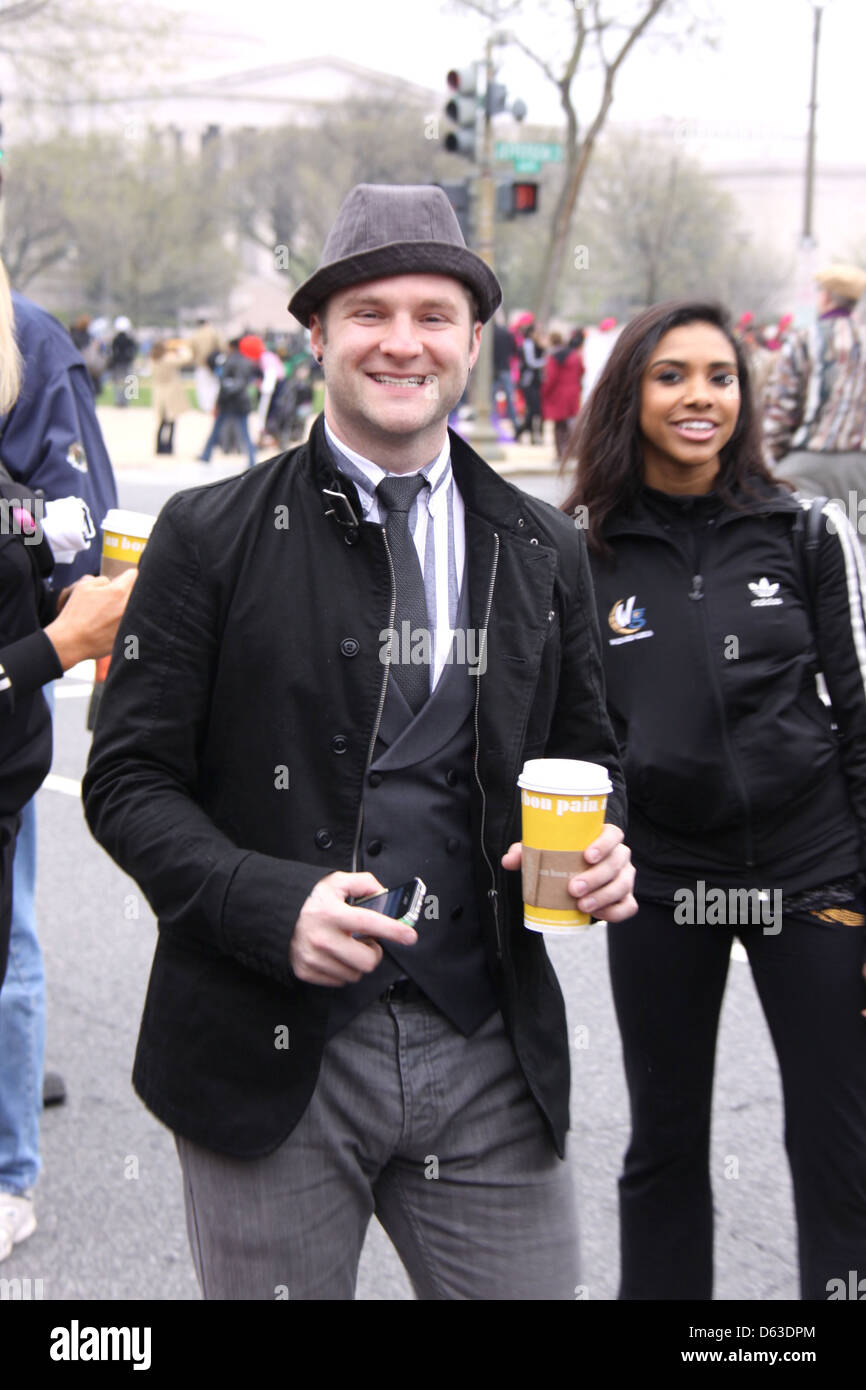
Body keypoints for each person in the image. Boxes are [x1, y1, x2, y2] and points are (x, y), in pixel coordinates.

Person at [83, 182, 636, 1301]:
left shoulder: (540, 548)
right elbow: (127, 779)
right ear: (318, 335)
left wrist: (605, 844)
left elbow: (587, 751)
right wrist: (261, 900)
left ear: (473, 340)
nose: (401, 341)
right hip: (265, 1048)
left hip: (485, 1044)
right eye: (368, 312)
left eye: (433, 314)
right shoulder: (209, 535)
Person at [562, 298, 866, 1301]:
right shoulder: (578, 550)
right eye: (670, 375)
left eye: (719, 376)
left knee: (838, 1141)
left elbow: (858, 715)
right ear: (629, 396)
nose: (700, 395)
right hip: (661, 877)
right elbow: (560, 732)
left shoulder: (806, 530)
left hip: (812, 871)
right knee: (662, 1142)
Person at [0, 261, 134, 1261]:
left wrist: (62, 627)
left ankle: (7, 1167)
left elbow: (80, 530)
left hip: (14, 652)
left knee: (8, 923)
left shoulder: (33, 339)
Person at [763, 264, 866, 520]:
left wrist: (777, 455)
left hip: (805, 464)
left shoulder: (802, 341)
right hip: (860, 467)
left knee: (798, 537)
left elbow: (780, 408)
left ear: (827, 297)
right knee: (858, 543)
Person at [197, 338, 260, 469]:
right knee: (245, 432)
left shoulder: (228, 361)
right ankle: (252, 458)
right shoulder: (246, 362)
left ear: (231, 347)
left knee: (216, 429)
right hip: (242, 401)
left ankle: (206, 455)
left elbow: (224, 381)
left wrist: (220, 399)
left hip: (228, 401)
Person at [542, 328, 585, 466]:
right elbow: (582, 370)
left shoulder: (552, 357)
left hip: (558, 393)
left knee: (558, 424)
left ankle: (561, 453)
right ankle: (574, 451)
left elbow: (551, 378)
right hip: (573, 391)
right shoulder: (574, 354)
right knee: (571, 422)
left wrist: (544, 392)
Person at [149, 341, 189, 456]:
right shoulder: (168, 360)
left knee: (161, 422)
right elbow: (186, 359)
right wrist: (180, 351)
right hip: (170, 393)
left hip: (159, 393)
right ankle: (169, 447)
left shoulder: (153, 360)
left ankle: (159, 446)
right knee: (171, 422)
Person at [514, 319, 546, 444]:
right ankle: (521, 431)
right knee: (533, 409)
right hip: (529, 381)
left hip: (536, 381)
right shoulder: (527, 344)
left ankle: (529, 434)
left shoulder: (535, 343)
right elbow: (531, 362)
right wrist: (545, 362)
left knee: (535, 410)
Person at [491, 313, 519, 437]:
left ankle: (493, 422)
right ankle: (515, 423)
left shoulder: (489, 335)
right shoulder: (506, 333)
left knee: (491, 399)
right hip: (505, 368)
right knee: (509, 397)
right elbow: (514, 350)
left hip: (493, 370)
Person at [188, 318, 222, 413]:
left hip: (200, 364)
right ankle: (214, 406)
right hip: (213, 364)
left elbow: (192, 350)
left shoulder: (195, 335)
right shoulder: (214, 333)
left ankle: (206, 407)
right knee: (214, 386)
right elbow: (222, 346)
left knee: (203, 387)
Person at [107, 317, 137, 408]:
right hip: (126, 362)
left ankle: (118, 400)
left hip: (117, 363)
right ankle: (125, 401)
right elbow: (133, 350)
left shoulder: (115, 340)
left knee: (117, 383)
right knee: (128, 381)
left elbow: (112, 352)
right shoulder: (129, 340)